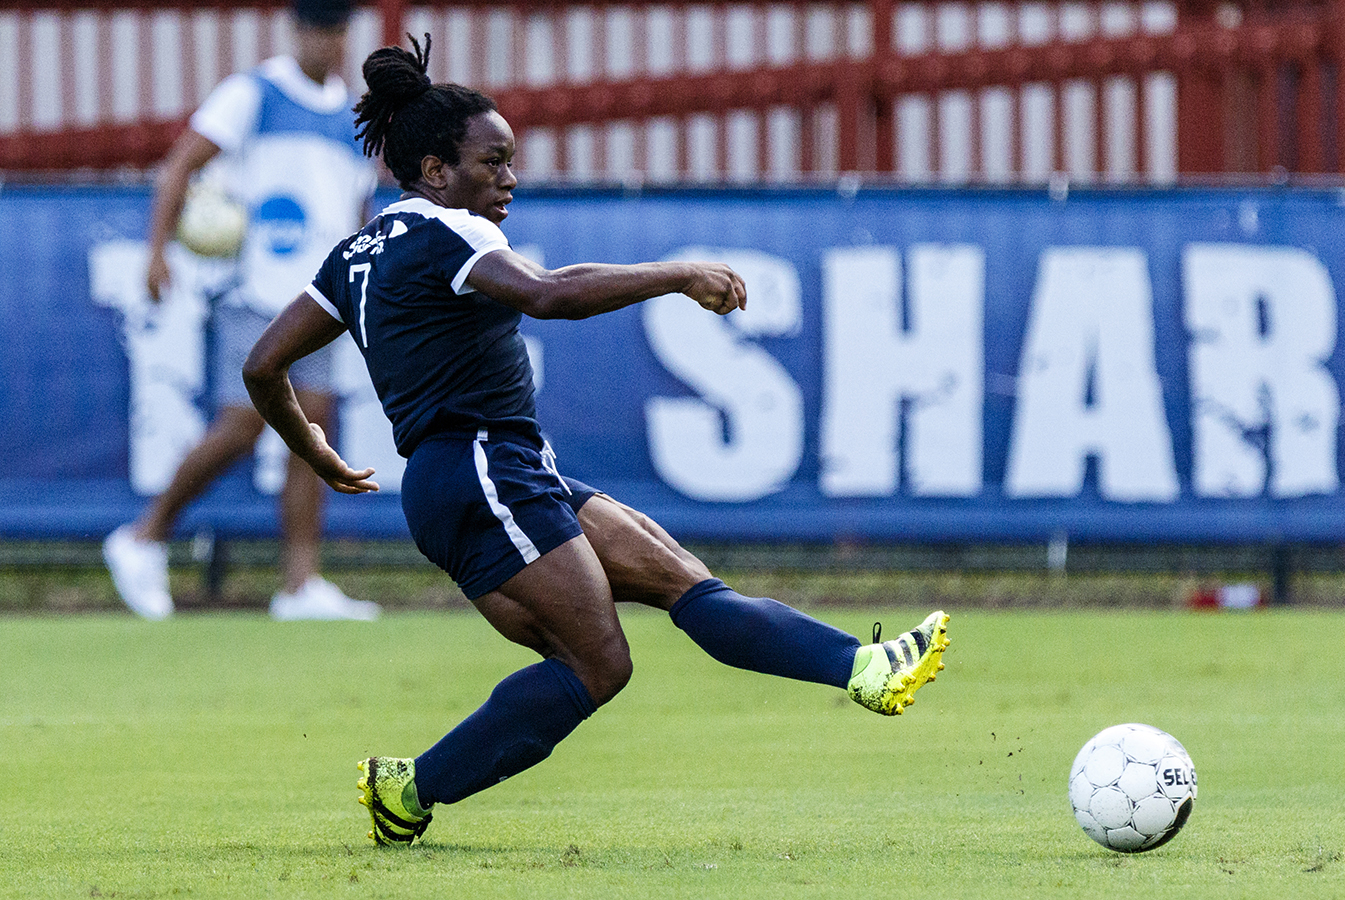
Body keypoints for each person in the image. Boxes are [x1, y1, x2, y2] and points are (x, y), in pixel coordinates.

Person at [240, 35, 952, 847]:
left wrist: (314, 451)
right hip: (478, 472)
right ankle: (409, 790)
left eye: (510, 162)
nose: (508, 179)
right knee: (598, 665)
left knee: (685, 584)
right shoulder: (448, 231)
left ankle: (867, 670)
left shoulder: (354, 254)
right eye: (491, 162)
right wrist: (677, 273)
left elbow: (264, 366)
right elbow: (547, 295)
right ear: (436, 171)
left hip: (495, 470)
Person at [103, 0, 380, 622]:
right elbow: (180, 164)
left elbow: (357, 212)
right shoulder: (251, 93)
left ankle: (300, 586)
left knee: (315, 430)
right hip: (254, 290)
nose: (327, 41)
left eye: (337, 29)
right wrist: (157, 252)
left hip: (321, 298)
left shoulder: (357, 118)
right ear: (298, 31)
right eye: (317, 28)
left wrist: (362, 283)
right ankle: (142, 537)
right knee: (243, 423)